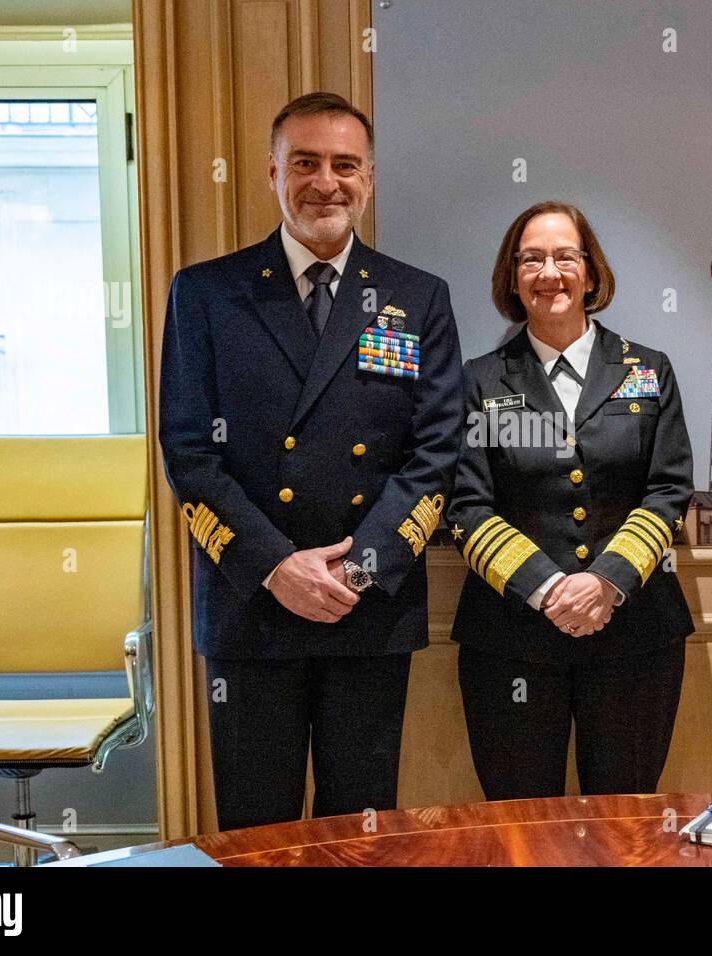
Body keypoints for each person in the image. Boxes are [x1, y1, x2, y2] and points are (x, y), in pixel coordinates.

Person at [158, 92, 462, 828]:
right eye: (306, 163)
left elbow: (436, 453)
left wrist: (356, 570)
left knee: (359, 830)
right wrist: (276, 566)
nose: (326, 182)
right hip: (252, 606)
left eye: (344, 165)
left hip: (367, 606)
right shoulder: (205, 294)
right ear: (271, 173)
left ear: (368, 179)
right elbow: (189, 453)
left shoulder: (416, 298)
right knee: (257, 831)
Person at [447, 200, 695, 800]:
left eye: (565, 256)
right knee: (521, 827)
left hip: (634, 635)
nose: (549, 273)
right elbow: (465, 504)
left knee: (624, 822)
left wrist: (605, 581)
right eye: (531, 259)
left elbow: (668, 489)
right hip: (511, 641)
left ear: (591, 272)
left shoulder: (648, 370)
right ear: (513, 277)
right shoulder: (479, 381)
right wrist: (550, 588)